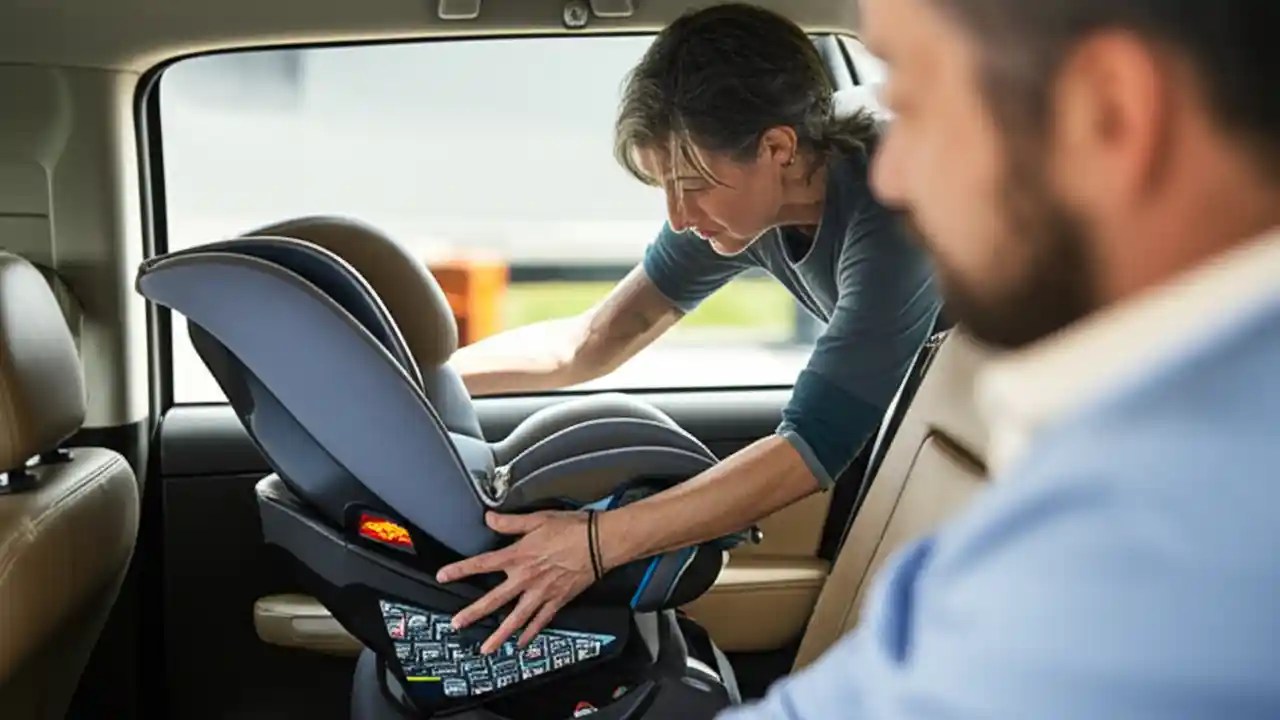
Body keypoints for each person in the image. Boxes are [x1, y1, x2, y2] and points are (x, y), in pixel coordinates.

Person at [717, 0, 1280, 717]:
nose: (891, 180)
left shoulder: (1173, 557)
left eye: (913, 104)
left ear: (1106, 114)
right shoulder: (1132, 426)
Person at [436, 4, 942, 653]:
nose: (678, 216)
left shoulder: (893, 206)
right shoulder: (743, 204)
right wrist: (428, 384)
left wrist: (595, 544)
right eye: (665, 188)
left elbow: (808, 451)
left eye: (693, 185)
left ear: (778, 148)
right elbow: (587, 343)